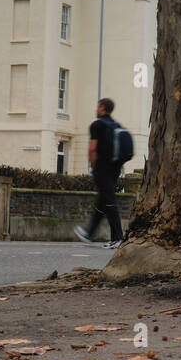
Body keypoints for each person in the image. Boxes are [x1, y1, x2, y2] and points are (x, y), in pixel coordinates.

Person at [74, 97, 125, 249]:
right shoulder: (116, 125)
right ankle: (89, 233)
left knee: (109, 201)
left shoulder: (97, 125)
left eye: (97, 107)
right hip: (116, 167)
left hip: (102, 167)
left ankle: (118, 238)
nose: (96, 109)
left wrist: (94, 166)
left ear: (102, 108)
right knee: (104, 200)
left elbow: (92, 148)